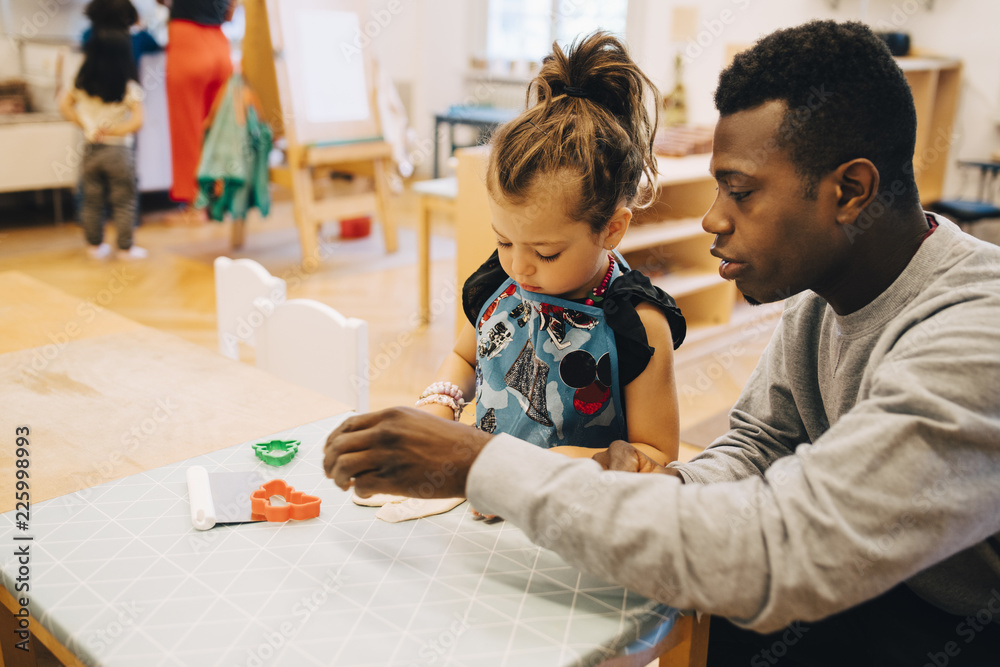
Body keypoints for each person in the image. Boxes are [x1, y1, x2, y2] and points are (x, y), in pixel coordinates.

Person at [323, 20, 1000, 666]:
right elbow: (754, 450)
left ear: (850, 189)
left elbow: (781, 547)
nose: (711, 217)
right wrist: (635, 482)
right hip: (864, 590)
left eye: (739, 191)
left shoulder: (975, 335)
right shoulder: (821, 307)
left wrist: (481, 462)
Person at [415, 32, 686, 470]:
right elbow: (467, 356)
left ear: (612, 229)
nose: (519, 266)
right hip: (490, 498)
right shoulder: (500, 285)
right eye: (503, 241)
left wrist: (562, 465)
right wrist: (440, 401)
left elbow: (656, 455)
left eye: (546, 253)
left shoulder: (638, 326)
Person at [59, 23, 146, 259]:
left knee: (92, 200)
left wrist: (87, 126)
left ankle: (94, 246)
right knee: (124, 200)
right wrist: (116, 130)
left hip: (91, 149)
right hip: (120, 153)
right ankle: (126, 248)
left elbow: (64, 106)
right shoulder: (128, 86)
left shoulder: (81, 83)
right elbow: (138, 121)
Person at [156, 0, 236, 224]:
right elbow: (230, 12)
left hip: (187, 39)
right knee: (220, 130)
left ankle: (197, 207)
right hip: (220, 44)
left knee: (187, 132)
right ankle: (221, 201)